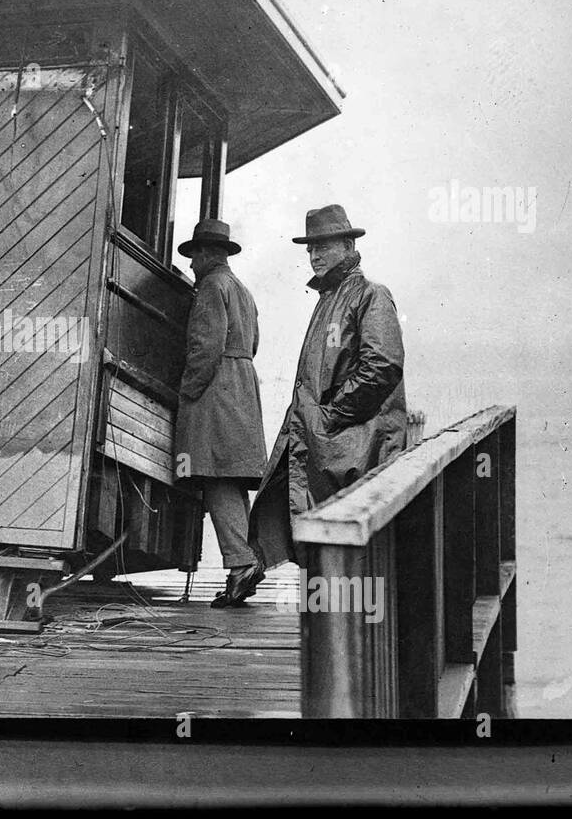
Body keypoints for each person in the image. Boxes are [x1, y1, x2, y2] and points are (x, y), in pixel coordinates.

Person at [250, 204, 407, 569]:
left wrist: (330, 417)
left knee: (351, 556)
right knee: (326, 553)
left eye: (323, 246)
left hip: (357, 449)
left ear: (349, 246)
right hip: (330, 448)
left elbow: (383, 366)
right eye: (309, 249)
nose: (314, 255)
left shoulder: (371, 294)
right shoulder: (327, 300)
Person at [173, 219, 270, 609]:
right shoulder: (242, 290)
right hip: (242, 386)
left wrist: (188, 390)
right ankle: (245, 560)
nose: (192, 264)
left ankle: (242, 561)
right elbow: (255, 343)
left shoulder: (212, 286)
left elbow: (206, 345)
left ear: (208, 254)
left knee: (213, 475)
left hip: (216, 390)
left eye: (194, 255)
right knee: (227, 476)